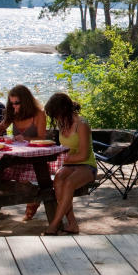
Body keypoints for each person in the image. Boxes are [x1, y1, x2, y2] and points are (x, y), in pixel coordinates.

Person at [41, 93, 95, 236]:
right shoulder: (62, 123)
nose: (56, 118)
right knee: (58, 180)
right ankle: (72, 224)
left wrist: (61, 159)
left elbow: (84, 155)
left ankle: (53, 225)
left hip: (86, 165)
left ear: (63, 110)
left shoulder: (82, 125)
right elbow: (64, 150)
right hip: (69, 164)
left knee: (69, 183)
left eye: (56, 114)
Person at [0, 84, 49, 220]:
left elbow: (42, 138)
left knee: (25, 178)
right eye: (12, 103)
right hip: (15, 159)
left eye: (17, 103)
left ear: (25, 101)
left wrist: (25, 138)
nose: (14, 106)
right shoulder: (13, 112)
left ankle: (33, 199)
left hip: (33, 159)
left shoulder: (38, 113)